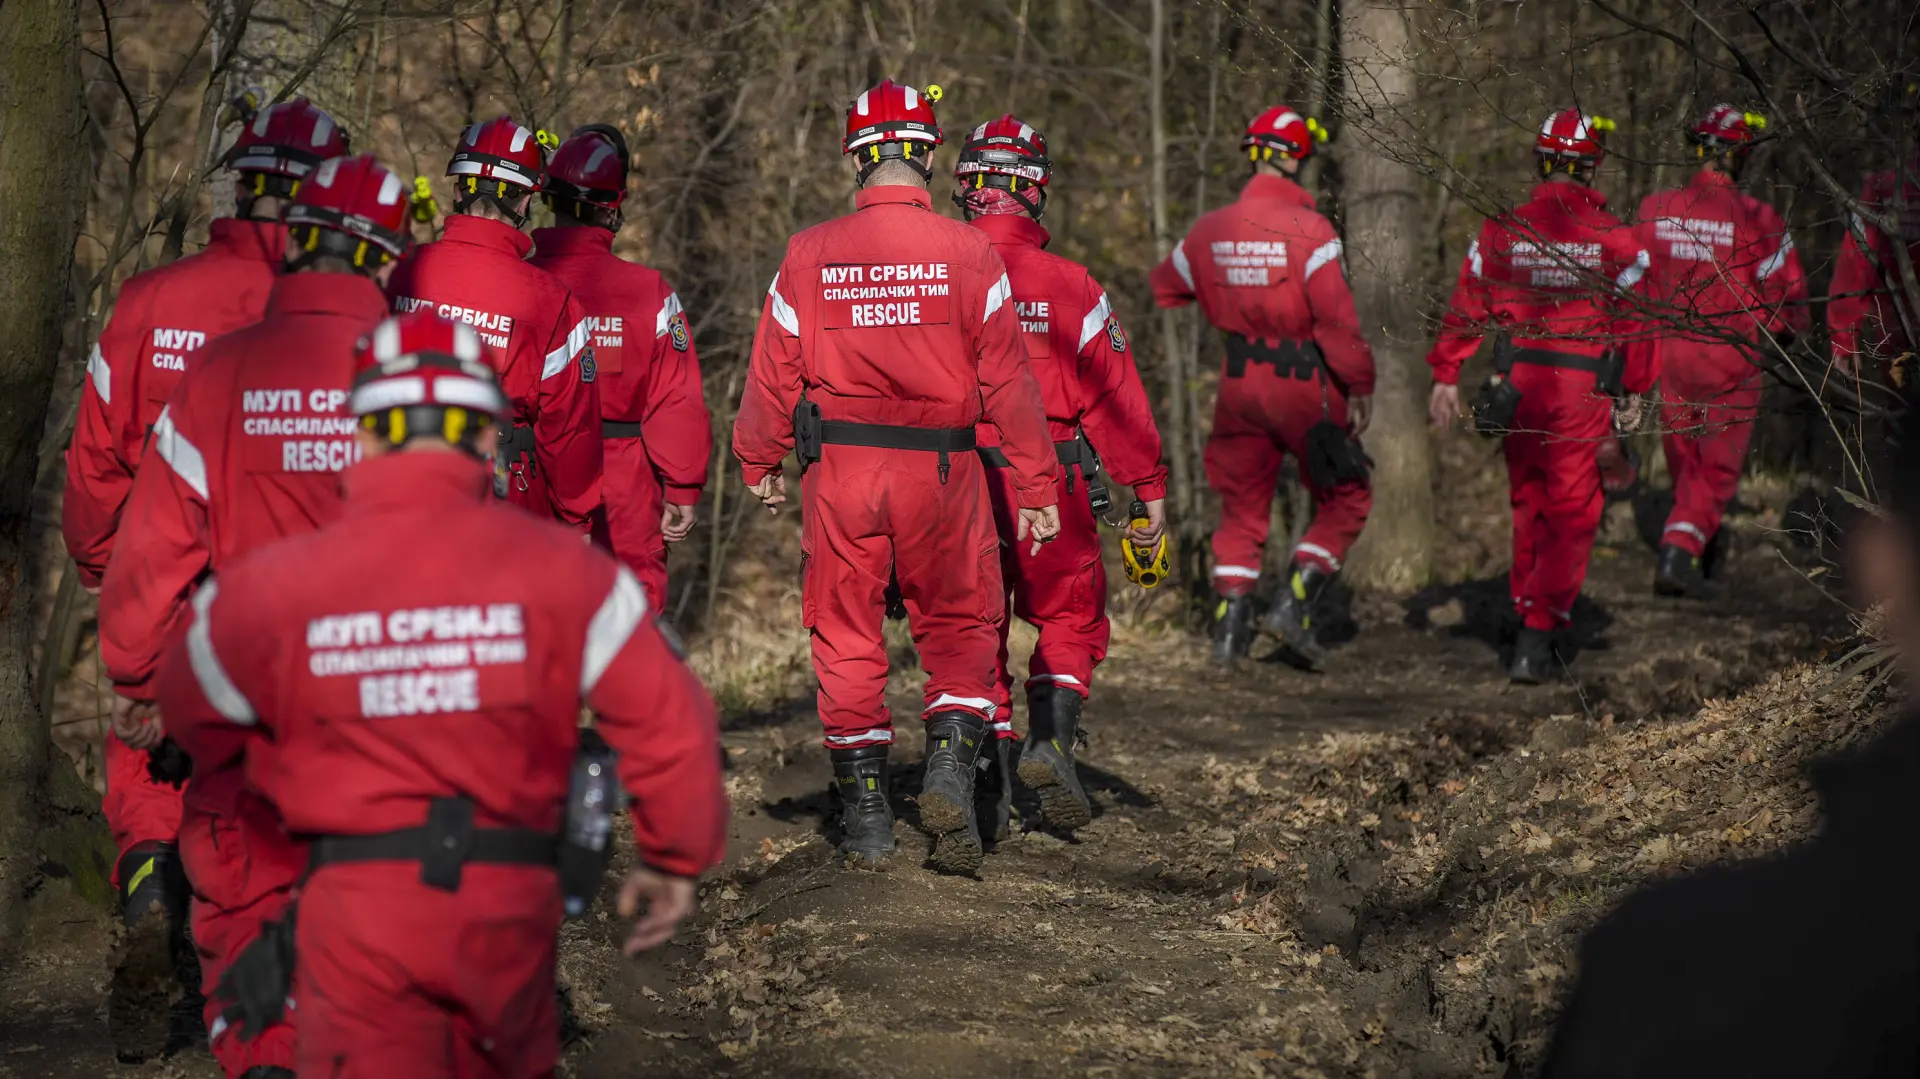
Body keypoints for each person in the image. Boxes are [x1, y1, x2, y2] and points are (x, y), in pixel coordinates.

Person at [156, 313, 725, 1077]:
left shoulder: (269, 587)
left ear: (360, 437)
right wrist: (675, 854)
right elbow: (668, 717)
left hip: (350, 906)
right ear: (489, 439)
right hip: (507, 906)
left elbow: (192, 706)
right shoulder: (565, 571)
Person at [96, 153, 409, 1078]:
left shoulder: (222, 374)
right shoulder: (420, 373)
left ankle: (266, 1050)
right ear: (385, 255)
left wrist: (137, 672)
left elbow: (155, 545)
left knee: (241, 880)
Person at [61, 101, 347, 1041]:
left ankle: (150, 891)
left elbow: (97, 461)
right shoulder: (330, 324)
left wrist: (111, 574)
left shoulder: (148, 302)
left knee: (148, 767)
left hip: (166, 586)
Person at [733, 79, 1061, 874]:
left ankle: (870, 813)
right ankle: (949, 765)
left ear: (856, 157)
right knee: (958, 625)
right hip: (943, 471)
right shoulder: (970, 251)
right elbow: (1009, 383)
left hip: (842, 472)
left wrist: (759, 457)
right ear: (927, 153)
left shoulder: (808, 252)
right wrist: (1038, 487)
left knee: (844, 633)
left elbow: (773, 366)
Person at [1540, 409, 1920, 1079]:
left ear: (1882, 568)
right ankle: (1673, 551)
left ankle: (1555, 609)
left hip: (1639, 377)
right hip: (1690, 367)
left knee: (1662, 469)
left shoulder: (1672, 971)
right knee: (1708, 467)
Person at [951, 114, 1168, 837]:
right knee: (1071, 615)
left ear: (968, 187)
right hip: (1053, 472)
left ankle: (991, 777)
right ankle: (1051, 739)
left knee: (972, 624)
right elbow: (1117, 399)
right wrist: (1150, 489)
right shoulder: (1072, 285)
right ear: (1035, 191)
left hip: (952, 478)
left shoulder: (933, 274)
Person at [1425, 108, 1656, 684]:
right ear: (1591, 166)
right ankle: (1540, 628)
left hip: (1518, 382)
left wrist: (1446, 373)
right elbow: (1641, 319)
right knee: (1573, 509)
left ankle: (1528, 610)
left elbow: (1467, 301)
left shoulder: (1502, 230)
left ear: (1542, 160)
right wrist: (1633, 386)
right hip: (1580, 388)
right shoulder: (1616, 239)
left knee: (1528, 499)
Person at [1150, 104, 1376, 669]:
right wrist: (1359, 382)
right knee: (1348, 495)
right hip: (1306, 384)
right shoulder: (1313, 230)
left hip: (1238, 384)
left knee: (1241, 505)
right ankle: (1294, 603)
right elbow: (1334, 321)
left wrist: (1229, 293)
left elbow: (1166, 287)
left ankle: (1230, 633)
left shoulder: (1211, 229)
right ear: (1299, 160)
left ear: (1254, 155)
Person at [386, 114, 603, 528]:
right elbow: (571, 431)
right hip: (502, 501)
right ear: (524, 202)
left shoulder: (397, 271)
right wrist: (578, 520)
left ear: (456, 191)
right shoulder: (552, 303)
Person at [530, 124, 711, 609]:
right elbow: (677, 399)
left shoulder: (520, 281)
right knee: (630, 619)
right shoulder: (648, 292)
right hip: (624, 479)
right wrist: (683, 486)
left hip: (532, 469)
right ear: (614, 207)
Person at [1635, 105, 1808, 599]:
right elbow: (1788, 293)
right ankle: (1677, 550)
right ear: (1741, 155)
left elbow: (1630, 279)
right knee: (1716, 468)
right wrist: (1786, 329)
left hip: (1670, 353)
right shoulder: (1759, 218)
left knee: (1686, 461)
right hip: (1730, 357)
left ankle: (1693, 551)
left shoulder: (1655, 209)